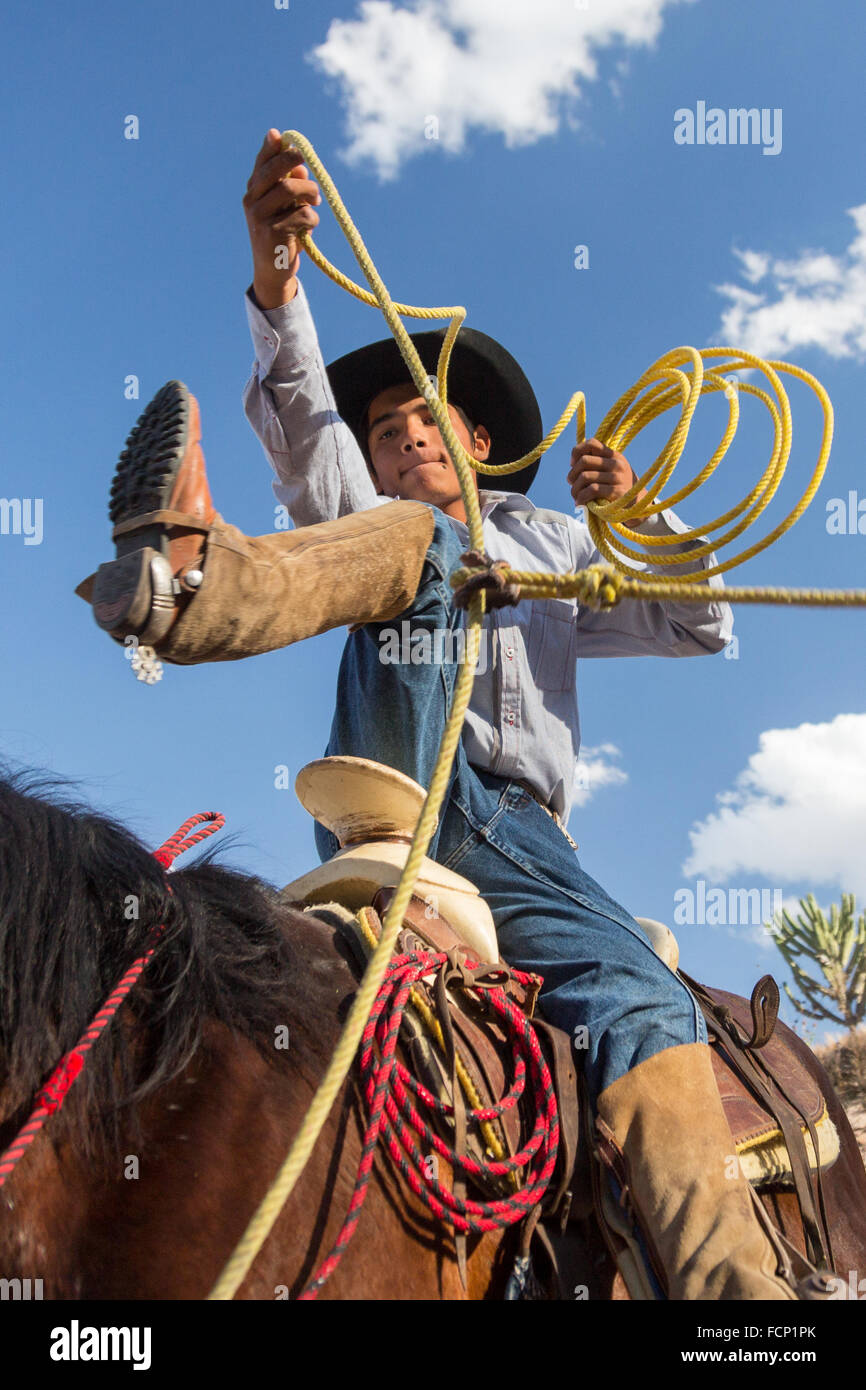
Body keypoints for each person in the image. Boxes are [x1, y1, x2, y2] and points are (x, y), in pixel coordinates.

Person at [75, 130, 802, 1300]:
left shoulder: (556, 545)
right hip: (386, 794)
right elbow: (307, 433)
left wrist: (640, 512)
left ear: (478, 442)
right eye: (381, 430)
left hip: (513, 834)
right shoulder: (370, 520)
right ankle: (190, 584)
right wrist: (277, 280)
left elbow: (697, 622)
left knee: (637, 992)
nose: (399, 433)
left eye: (425, 419)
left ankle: (738, 1301)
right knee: (416, 546)